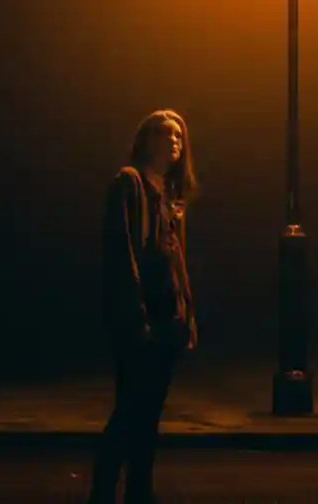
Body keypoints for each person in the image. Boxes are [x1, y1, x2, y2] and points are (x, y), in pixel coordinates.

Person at [87, 109, 199, 504]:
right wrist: (136, 317)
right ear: (146, 140)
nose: (174, 142)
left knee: (148, 416)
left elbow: (177, 262)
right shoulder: (130, 183)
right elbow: (123, 254)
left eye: (179, 137)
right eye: (166, 134)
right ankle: (102, 493)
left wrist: (187, 316)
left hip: (168, 320)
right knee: (130, 411)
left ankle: (139, 491)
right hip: (141, 319)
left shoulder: (169, 195)